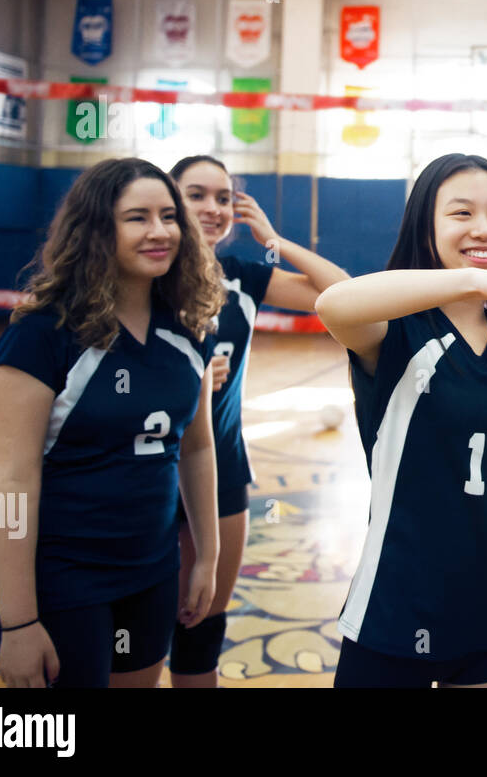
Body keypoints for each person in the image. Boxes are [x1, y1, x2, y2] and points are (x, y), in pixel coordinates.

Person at [315, 153, 487, 688]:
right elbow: (333, 303)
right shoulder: (394, 332)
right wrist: (472, 282)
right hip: (395, 608)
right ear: (425, 227)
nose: (485, 228)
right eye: (461, 213)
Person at [0, 157, 223, 688]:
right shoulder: (41, 336)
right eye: (137, 217)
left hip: (151, 570)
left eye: (169, 216)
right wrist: (21, 620)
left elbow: (197, 449)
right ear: (98, 228)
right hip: (60, 576)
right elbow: (10, 483)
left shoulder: (188, 333)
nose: (160, 231)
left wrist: (207, 555)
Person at [166, 155, 350, 687]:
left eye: (223, 198)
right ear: (167, 197)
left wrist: (272, 239)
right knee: (134, 635)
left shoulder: (243, 279)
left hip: (220, 472)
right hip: (146, 479)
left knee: (200, 630)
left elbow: (340, 292)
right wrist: (187, 376)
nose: (212, 207)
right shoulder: (142, 280)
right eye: (196, 194)